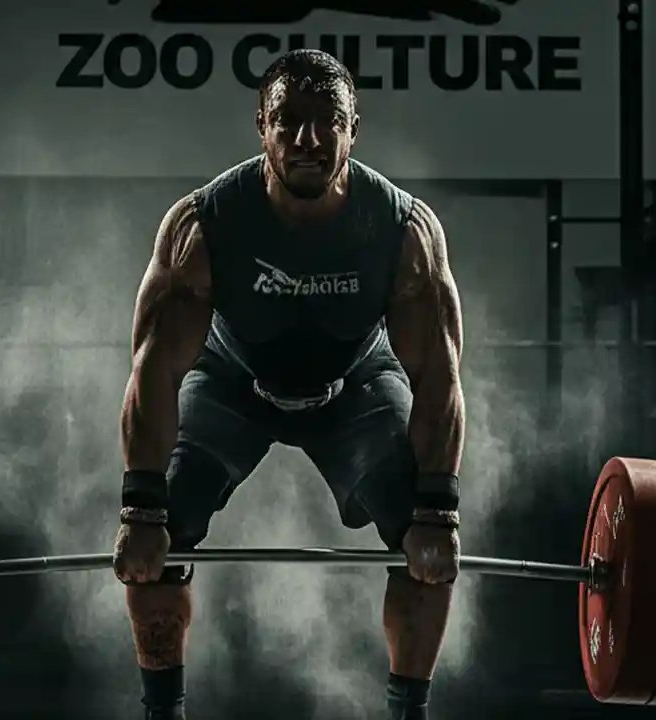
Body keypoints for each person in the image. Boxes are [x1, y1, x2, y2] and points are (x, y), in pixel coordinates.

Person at [112, 48, 466, 720]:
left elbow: (440, 376)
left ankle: (408, 711)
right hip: (231, 387)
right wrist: (140, 512)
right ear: (261, 127)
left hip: (354, 388)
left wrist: (439, 514)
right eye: (288, 120)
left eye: (326, 120)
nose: (307, 138)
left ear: (353, 127)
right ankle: (162, 711)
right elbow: (154, 371)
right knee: (163, 533)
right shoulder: (204, 226)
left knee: (423, 537)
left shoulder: (403, 230)